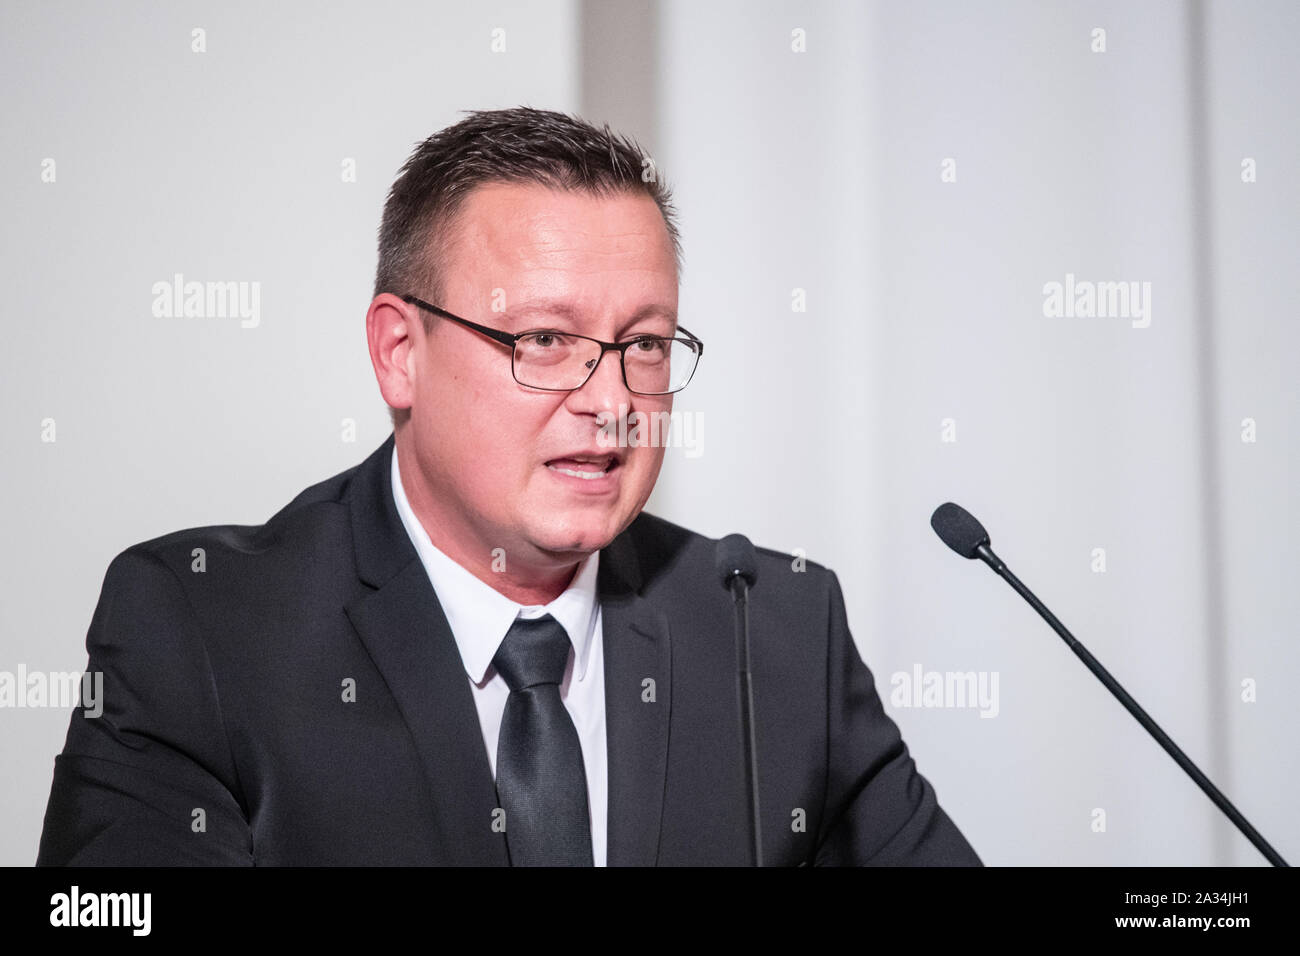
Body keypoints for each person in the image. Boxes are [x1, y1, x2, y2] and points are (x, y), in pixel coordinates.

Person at [36, 107, 981, 866]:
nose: (611, 402)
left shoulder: (772, 626)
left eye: (644, 345)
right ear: (399, 354)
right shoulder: (202, 626)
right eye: (544, 341)